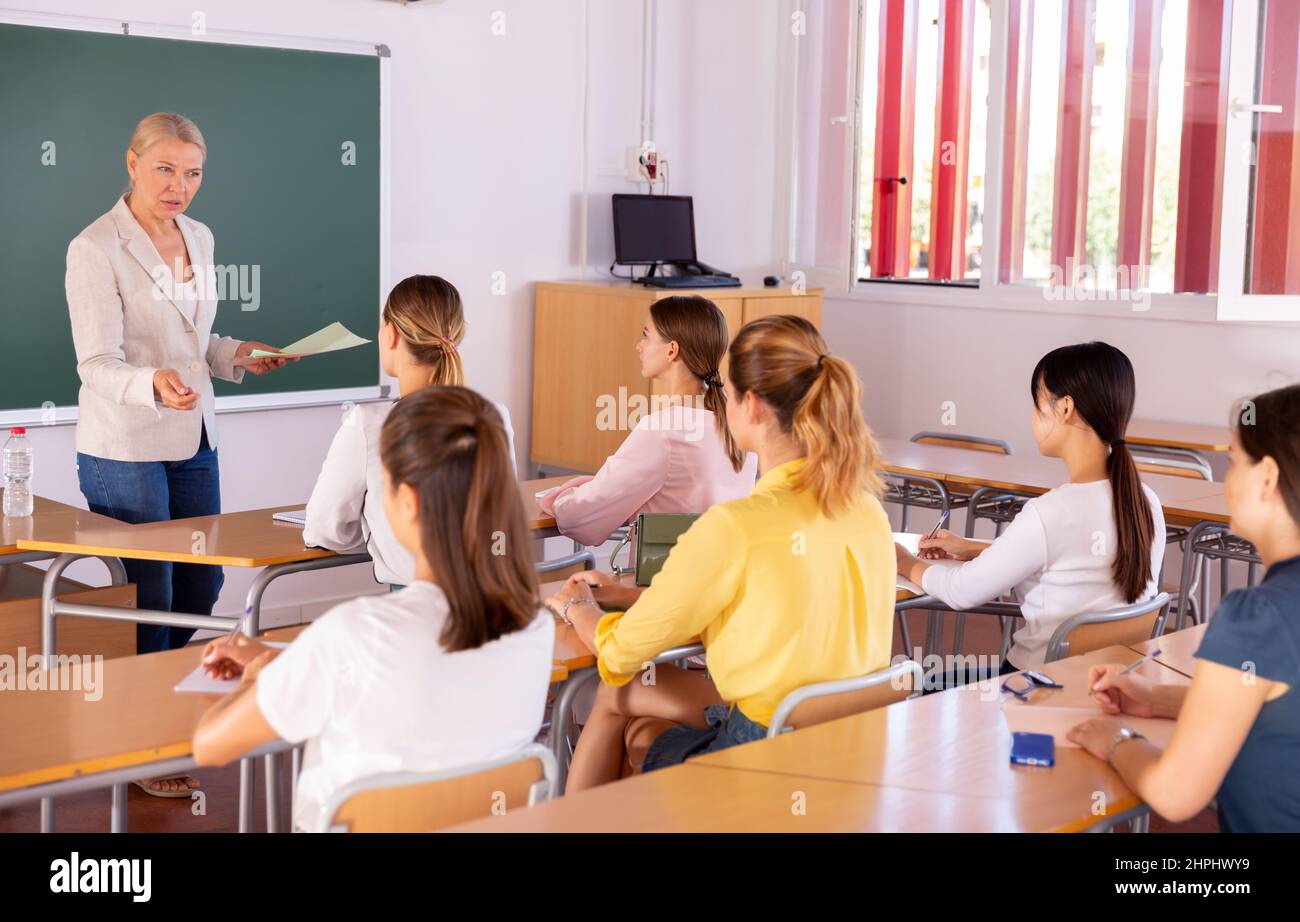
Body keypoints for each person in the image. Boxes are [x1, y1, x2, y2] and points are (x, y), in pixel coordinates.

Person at [547, 315, 895, 790]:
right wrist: (630, 598)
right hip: (851, 751)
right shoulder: (866, 511)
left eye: (726, 392)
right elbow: (763, 606)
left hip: (765, 749)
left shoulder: (735, 526)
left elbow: (622, 654)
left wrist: (578, 606)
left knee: (620, 696)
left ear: (750, 406)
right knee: (644, 726)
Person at [192, 387, 553, 832]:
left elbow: (210, 746)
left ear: (409, 502)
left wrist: (255, 679)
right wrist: (287, 663)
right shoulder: (534, 623)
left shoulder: (353, 632)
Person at [66, 112, 290, 796]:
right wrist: (152, 385)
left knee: (203, 586)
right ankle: (146, 745)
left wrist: (237, 355)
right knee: (154, 594)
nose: (179, 186)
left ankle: (154, 721)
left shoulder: (200, 236)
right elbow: (96, 364)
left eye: (192, 173)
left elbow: (196, 341)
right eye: (165, 169)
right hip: (125, 446)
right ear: (130, 163)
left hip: (195, 440)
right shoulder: (95, 247)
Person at [1068, 384, 1300, 831]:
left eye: (1233, 462)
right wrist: (1156, 700)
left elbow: (1174, 795)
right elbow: (1274, 707)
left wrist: (1117, 741)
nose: (1226, 481)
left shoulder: (1257, 616)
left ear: (1267, 478)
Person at [896, 342, 1165, 674]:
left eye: (1037, 404)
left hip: (1034, 688)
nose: (1032, 416)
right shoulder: (1145, 501)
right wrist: (977, 549)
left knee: (924, 684)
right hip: (1111, 687)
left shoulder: (1049, 512)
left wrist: (903, 561)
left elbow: (960, 592)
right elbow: (1074, 559)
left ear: (1065, 408)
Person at [303, 275, 515, 586]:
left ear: (390, 335)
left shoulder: (368, 423)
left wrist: (377, 535)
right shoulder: (494, 416)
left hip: (413, 601)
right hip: (493, 602)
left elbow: (323, 528)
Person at [538, 295, 755, 549]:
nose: (638, 346)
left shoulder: (663, 431)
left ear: (672, 350)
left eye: (646, 336)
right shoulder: (739, 424)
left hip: (665, 582)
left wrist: (560, 498)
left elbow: (581, 518)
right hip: (726, 582)